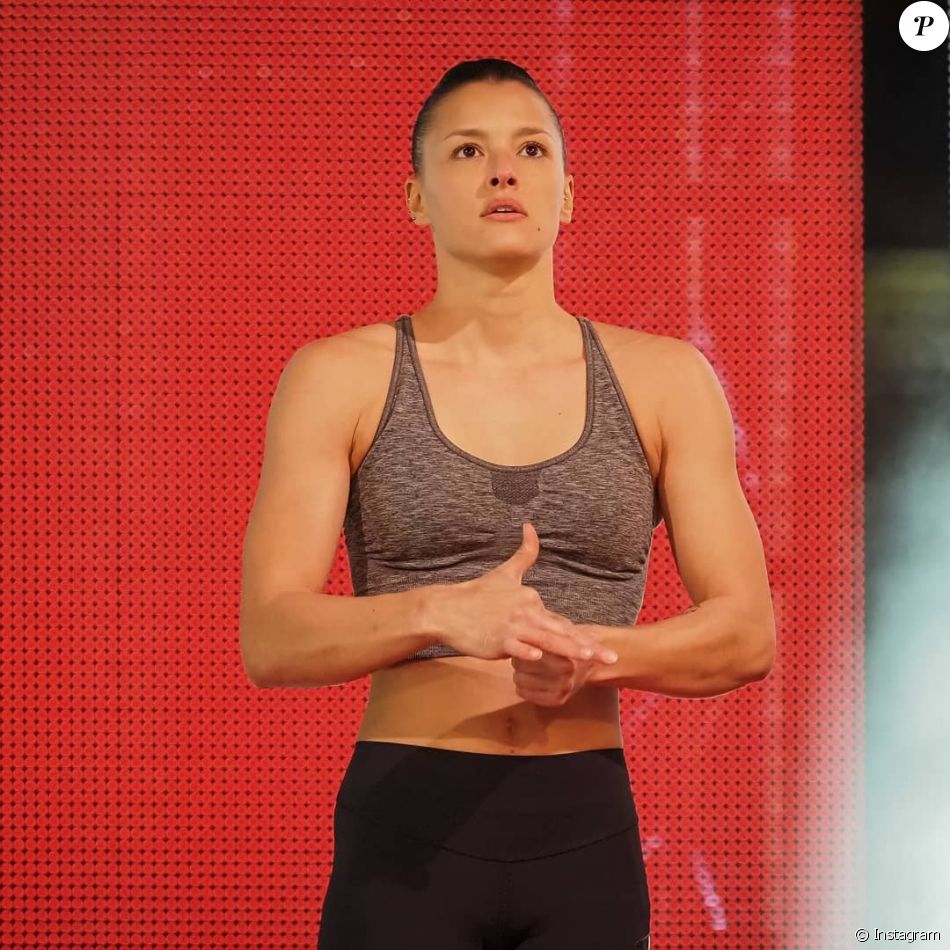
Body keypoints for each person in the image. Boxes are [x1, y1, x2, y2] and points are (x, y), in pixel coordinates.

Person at [240, 58, 775, 950]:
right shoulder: (339, 375)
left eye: (530, 148)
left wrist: (588, 659)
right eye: (467, 151)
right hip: (407, 828)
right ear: (416, 198)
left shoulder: (666, 380)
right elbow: (272, 637)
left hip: (585, 830)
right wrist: (440, 612)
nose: (502, 171)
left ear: (567, 194)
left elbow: (747, 632)